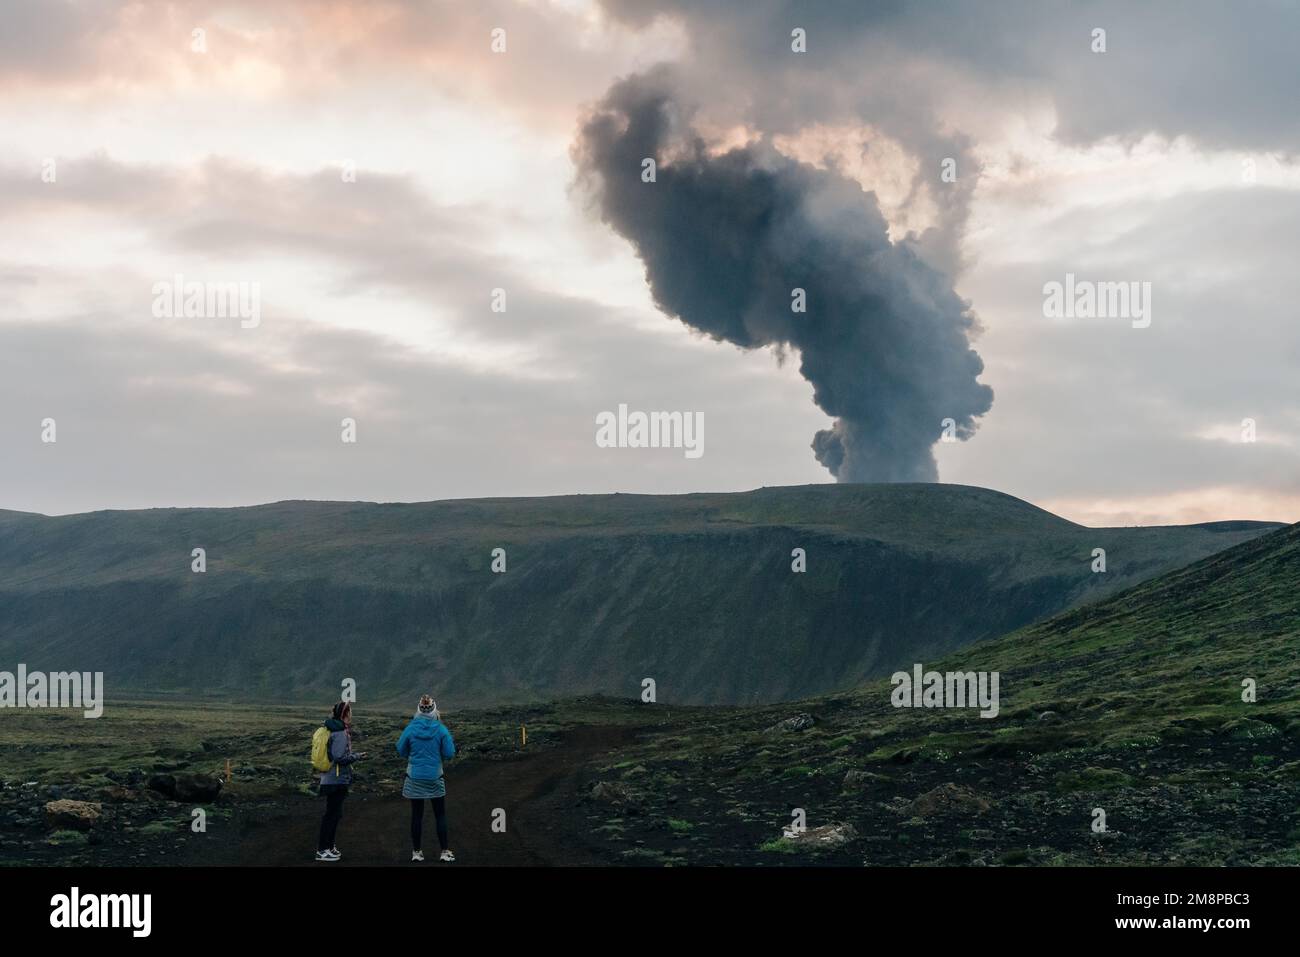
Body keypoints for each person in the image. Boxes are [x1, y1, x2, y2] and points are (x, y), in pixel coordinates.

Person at [396, 695, 456, 862]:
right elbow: (449, 753)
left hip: (414, 776)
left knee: (416, 815)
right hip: (435, 776)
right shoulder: (441, 729)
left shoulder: (410, 728)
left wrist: (412, 754)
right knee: (440, 815)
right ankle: (444, 852)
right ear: (434, 709)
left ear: (419, 709)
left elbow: (401, 749)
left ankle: (416, 852)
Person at [316, 701, 366, 862]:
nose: (351, 715)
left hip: (330, 778)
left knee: (334, 814)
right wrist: (357, 756)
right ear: (345, 714)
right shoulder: (340, 733)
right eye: (350, 713)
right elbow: (339, 757)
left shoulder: (332, 729)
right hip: (336, 779)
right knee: (332, 815)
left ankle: (329, 847)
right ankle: (322, 850)